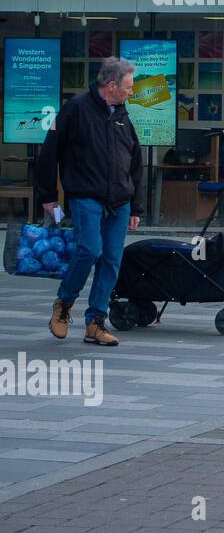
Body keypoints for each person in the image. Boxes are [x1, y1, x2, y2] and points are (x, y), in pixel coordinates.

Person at [35, 57, 143, 347]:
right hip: (86, 196)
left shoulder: (122, 114)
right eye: (128, 87)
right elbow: (49, 153)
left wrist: (137, 206)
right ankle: (64, 303)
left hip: (119, 201)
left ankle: (96, 322)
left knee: (111, 260)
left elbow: (136, 162)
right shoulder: (76, 109)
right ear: (111, 86)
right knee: (89, 249)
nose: (131, 92)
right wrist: (47, 196)